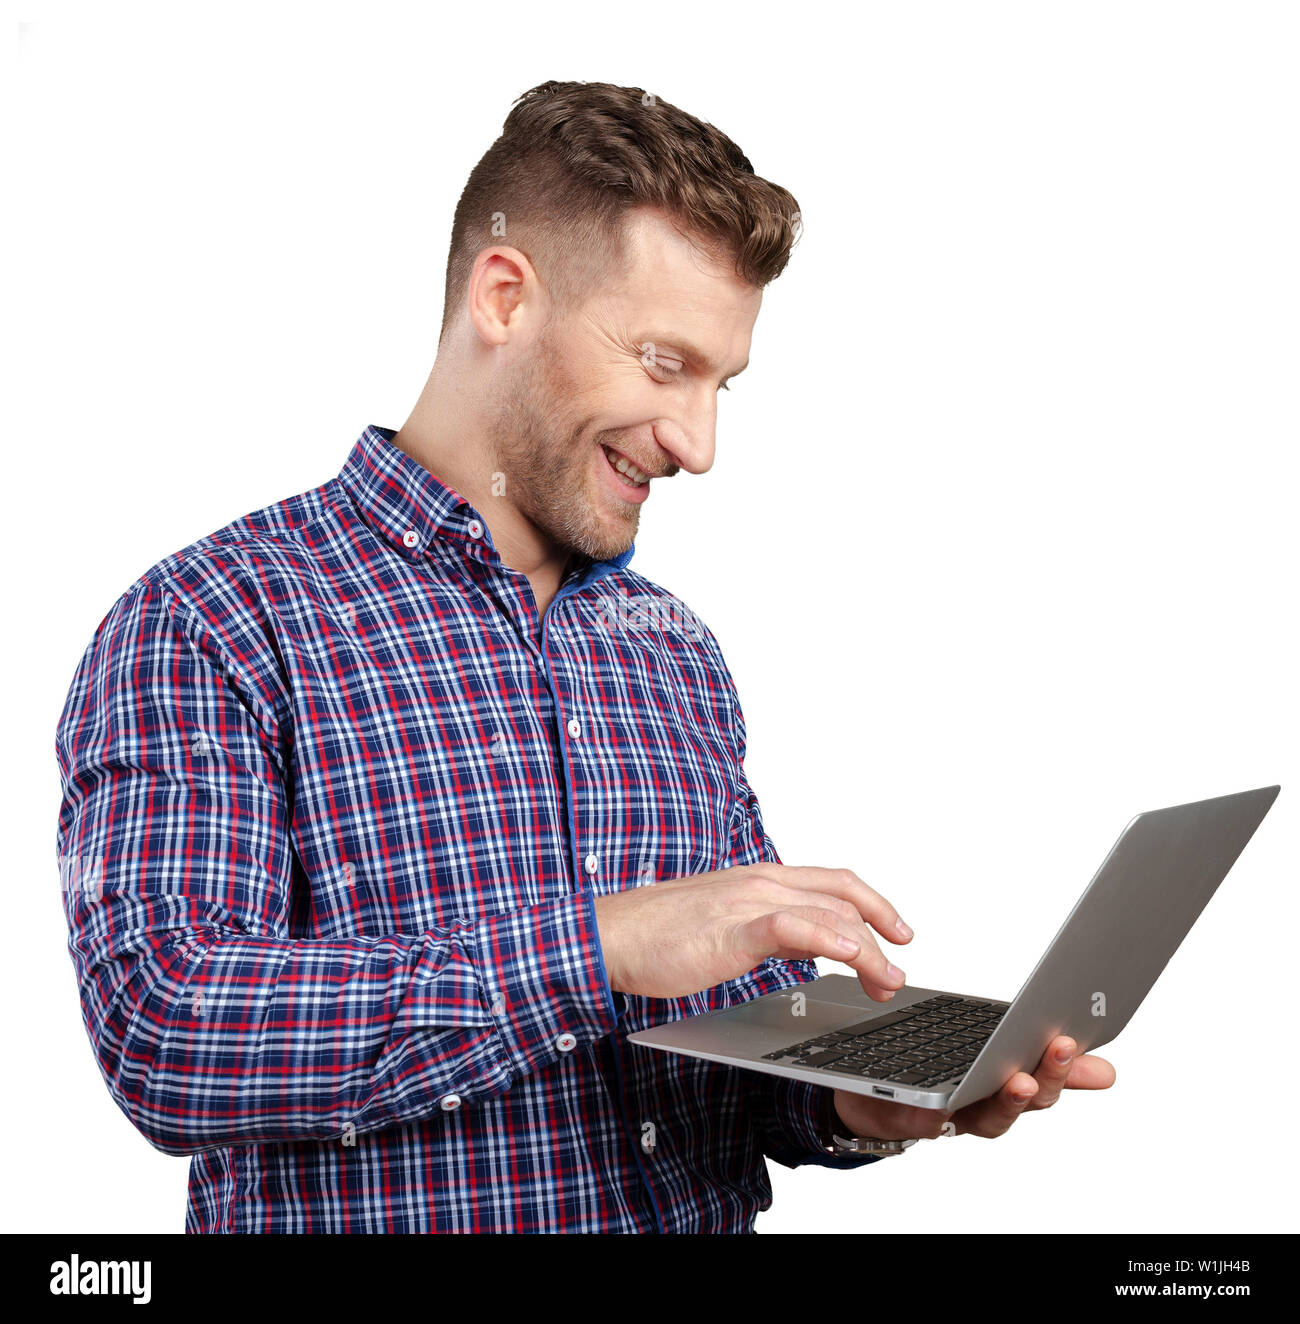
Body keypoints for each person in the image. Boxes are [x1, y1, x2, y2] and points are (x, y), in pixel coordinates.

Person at [54, 79, 1114, 1234]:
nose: (697, 445)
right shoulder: (212, 619)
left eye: (721, 384)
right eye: (664, 364)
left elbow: (718, 1047)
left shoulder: (669, 649)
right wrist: (600, 945)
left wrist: (857, 1103)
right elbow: (169, 1034)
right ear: (504, 295)